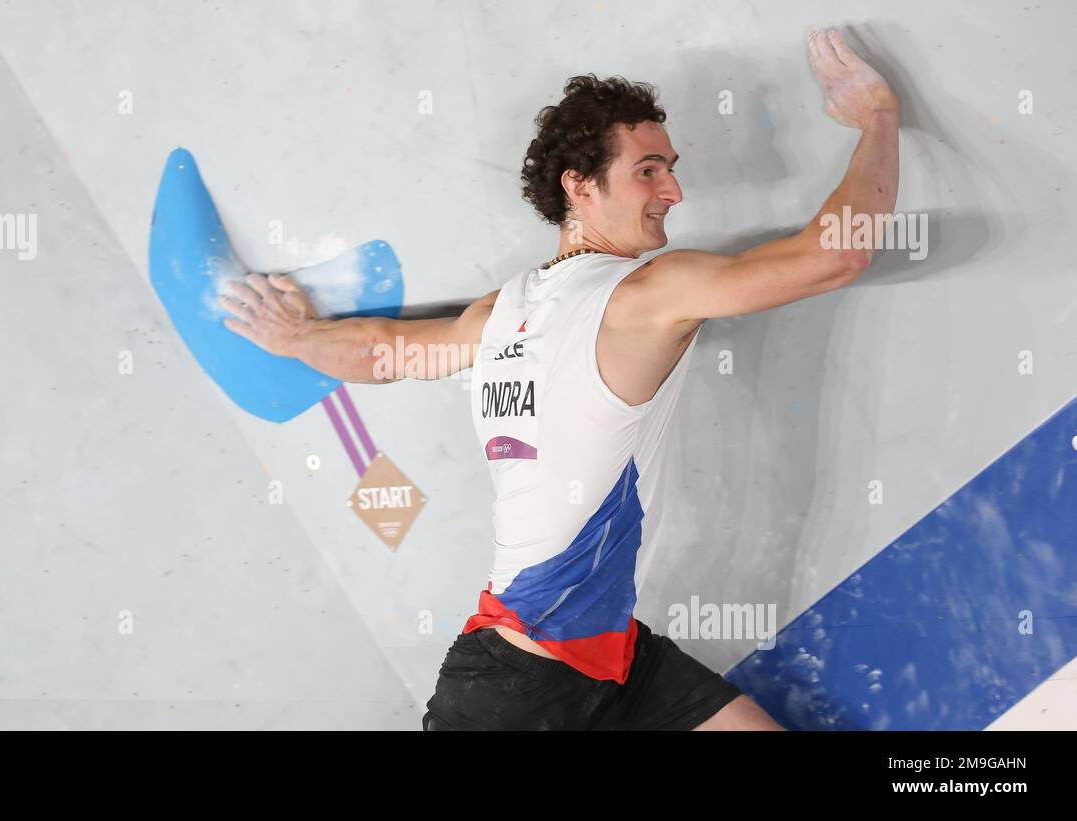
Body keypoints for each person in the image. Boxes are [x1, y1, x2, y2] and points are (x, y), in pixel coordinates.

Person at [220, 26, 899, 730]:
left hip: (612, 658)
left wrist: (296, 337)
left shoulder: (501, 312)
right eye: (649, 169)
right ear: (579, 186)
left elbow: (385, 354)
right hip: (517, 688)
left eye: (670, 167)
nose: (674, 188)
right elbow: (834, 255)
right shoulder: (644, 294)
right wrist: (878, 118)